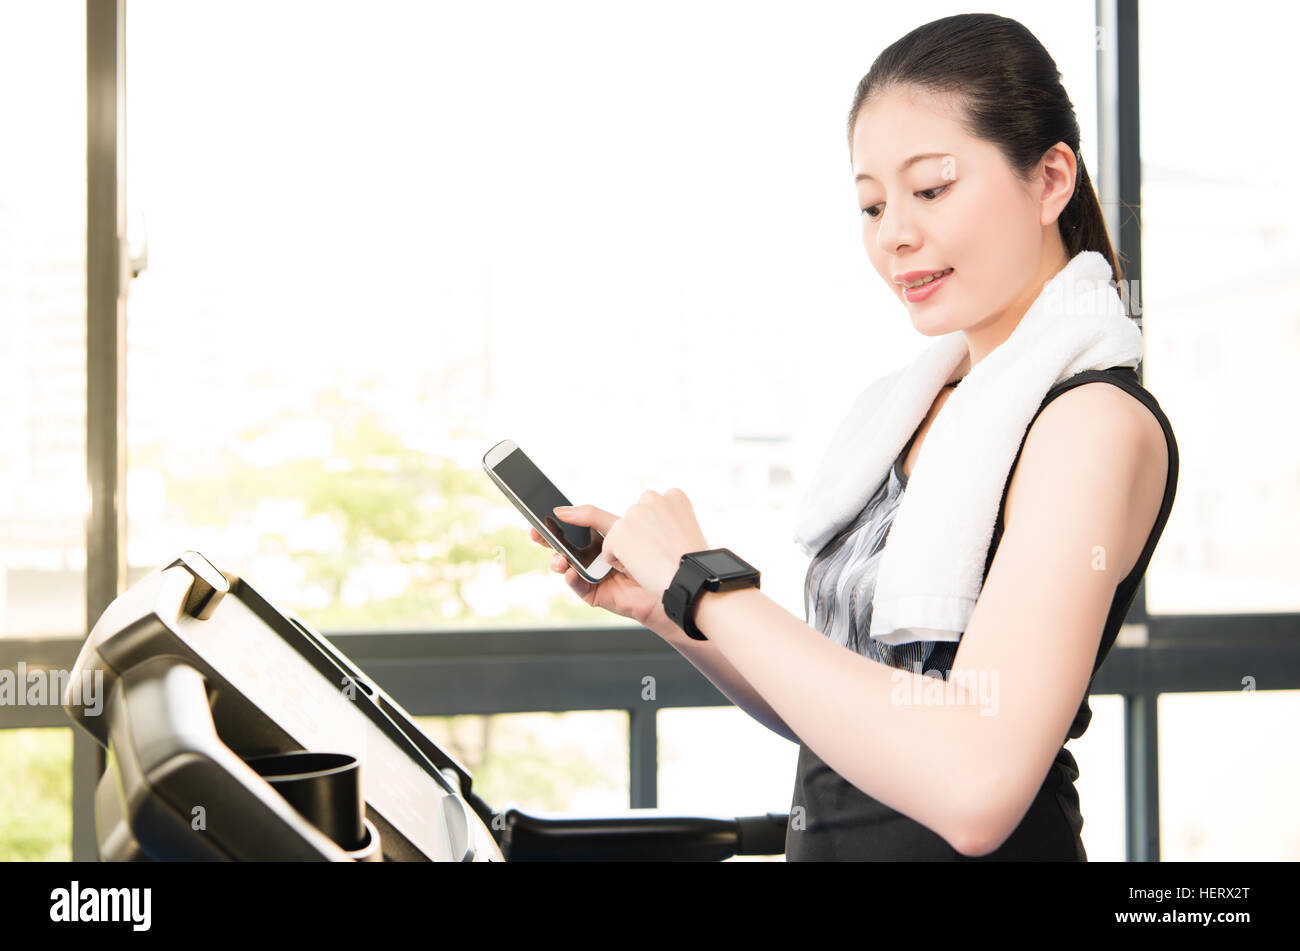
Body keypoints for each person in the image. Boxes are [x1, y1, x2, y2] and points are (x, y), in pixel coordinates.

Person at [528, 12, 1178, 861]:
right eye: (872, 204)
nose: (893, 233)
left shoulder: (1090, 423)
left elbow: (977, 785)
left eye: (932, 188)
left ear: (1052, 179)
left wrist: (711, 586)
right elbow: (837, 711)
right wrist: (672, 608)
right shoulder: (918, 410)